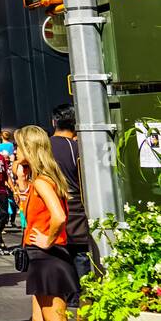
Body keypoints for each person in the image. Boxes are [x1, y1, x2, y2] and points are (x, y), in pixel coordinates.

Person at [15, 125, 80, 321]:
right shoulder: (41, 180)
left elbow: (59, 217)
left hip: (47, 256)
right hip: (42, 257)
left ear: (29, 148)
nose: (15, 152)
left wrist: (48, 239)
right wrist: (22, 183)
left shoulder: (43, 181)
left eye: (19, 147)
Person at [48, 104, 94, 309]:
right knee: (81, 254)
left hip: (52, 206)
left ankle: (66, 293)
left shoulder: (45, 147)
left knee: (60, 252)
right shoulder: (78, 147)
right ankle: (82, 295)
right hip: (77, 206)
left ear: (54, 122)